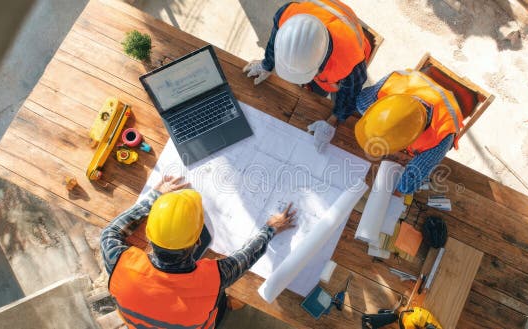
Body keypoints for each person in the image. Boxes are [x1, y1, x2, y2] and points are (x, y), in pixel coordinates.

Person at [100, 175, 297, 329]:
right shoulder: (213, 280)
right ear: (197, 241)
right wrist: (271, 228)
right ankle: (225, 308)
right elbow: (246, 257)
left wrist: (153, 198)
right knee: (216, 305)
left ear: (149, 235)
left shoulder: (119, 264)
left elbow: (109, 233)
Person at [243, 0, 370, 152]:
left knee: (338, 98)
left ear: (321, 62)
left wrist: (333, 121)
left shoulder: (350, 62)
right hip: (325, 18)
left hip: (347, 52)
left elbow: (350, 96)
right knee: (312, 95)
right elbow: (274, 40)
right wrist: (266, 64)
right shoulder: (287, 16)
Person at [354, 69, 465, 196]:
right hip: (417, 85)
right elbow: (362, 102)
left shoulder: (443, 133)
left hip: (446, 108)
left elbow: (412, 177)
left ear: (407, 143)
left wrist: (399, 191)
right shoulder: (393, 83)